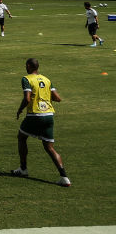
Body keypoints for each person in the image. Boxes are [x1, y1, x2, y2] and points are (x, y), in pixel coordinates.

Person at [12, 57, 70, 186]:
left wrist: (20, 110)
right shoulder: (46, 79)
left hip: (35, 115)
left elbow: (27, 99)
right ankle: (64, 177)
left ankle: (23, 169)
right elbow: (58, 98)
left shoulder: (26, 79)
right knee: (49, 147)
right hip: (49, 115)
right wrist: (43, 96)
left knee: (21, 137)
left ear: (28, 66)